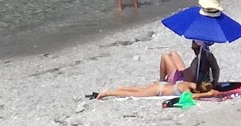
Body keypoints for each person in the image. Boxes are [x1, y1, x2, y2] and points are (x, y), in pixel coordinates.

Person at [91, 39, 222, 98]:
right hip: (160, 89)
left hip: (162, 87)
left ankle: (120, 88)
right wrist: (209, 93)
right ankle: (109, 92)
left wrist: (209, 90)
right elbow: (193, 97)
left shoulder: (190, 86)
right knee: (137, 94)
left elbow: (197, 92)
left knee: (141, 90)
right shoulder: (188, 90)